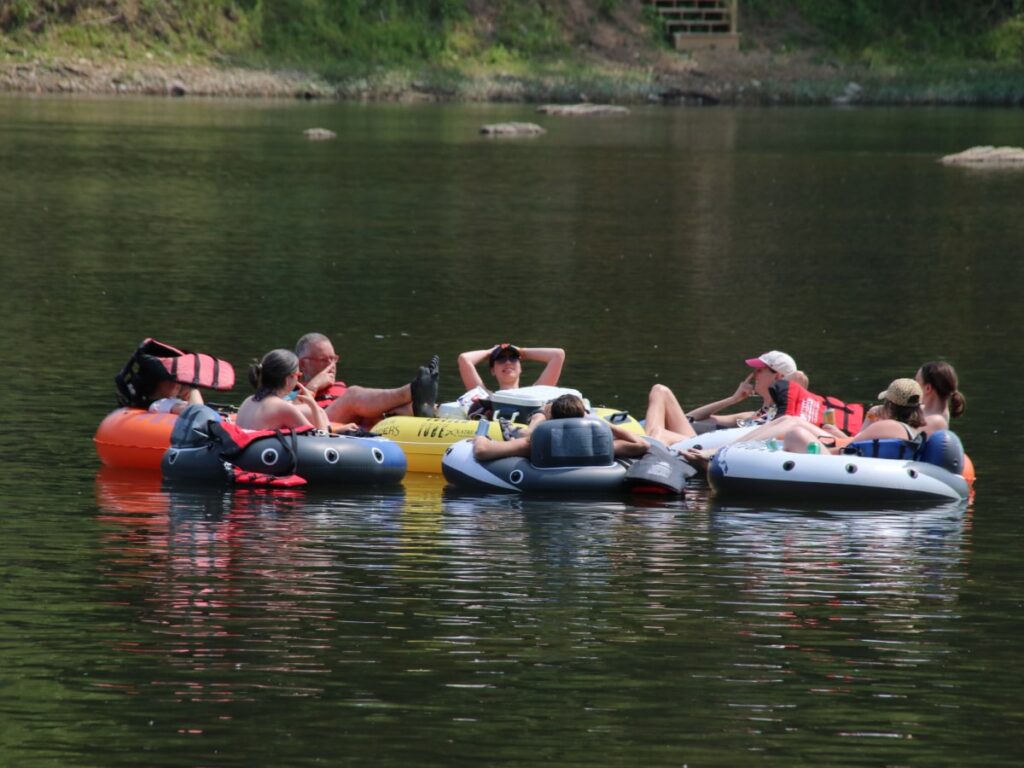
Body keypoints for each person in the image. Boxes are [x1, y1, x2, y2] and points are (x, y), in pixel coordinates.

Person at [643, 350, 801, 445]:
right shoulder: (750, 415)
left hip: (712, 452)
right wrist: (732, 399)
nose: (754, 374)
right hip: (696, 444)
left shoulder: (785, 417)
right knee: (660, 390)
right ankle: (648, 441)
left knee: (659, 432)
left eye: (760, 370)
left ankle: (646, 443)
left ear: (778, 377)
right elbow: (690, 419)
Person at [295, 332, 439, 424]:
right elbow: (290, 413)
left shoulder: (339, 388)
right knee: (353, 394)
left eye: (333, 359)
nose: (331, 365)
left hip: (358, 426)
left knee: (403, 408)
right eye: (324, 360)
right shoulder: (291, 388)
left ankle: (425, 409)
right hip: (320, 423)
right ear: (303, 364)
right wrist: (313, 386)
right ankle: (413, 389)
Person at [473, 394, 648, 461]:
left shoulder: (534, 444)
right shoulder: (600, 446)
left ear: (552, 420)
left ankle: (538, 415)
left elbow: (482, 451)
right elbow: (642, 445)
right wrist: (602, 424)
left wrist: (480, 436)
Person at [237, 349, 330, 432]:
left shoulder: (248, 401)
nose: (298, 380)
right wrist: (313, 406)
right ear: (288, 379)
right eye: (298, 375)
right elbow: (322, 439)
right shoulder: (283, 408)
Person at [458, 344, 565, 393]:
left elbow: (558, 355)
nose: (508, 362)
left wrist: (522, 351)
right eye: (500, 358)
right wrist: (490, 352)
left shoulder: (536, 392)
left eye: (513, 358)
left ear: (520, 367)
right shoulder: (483, 396)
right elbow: (464, 359)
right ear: (493, 370)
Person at [916, 361, 966, 431]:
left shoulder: (936, 422)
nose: (913, 386)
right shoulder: (929, 412)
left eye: (916, 382)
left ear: (928, 388)